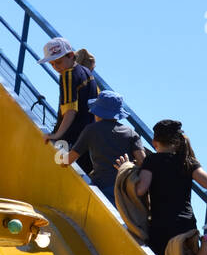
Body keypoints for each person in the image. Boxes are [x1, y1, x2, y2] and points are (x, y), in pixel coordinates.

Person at [133, 119, 207, 255]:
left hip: (160, 225)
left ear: (154, 142)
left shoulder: (152, 161)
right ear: (177, 142)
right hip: (185, 226)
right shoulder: (187, 161)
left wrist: (127, 174)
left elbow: (140, 190)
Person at [59, 91, 144, 203]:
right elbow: (143, 162)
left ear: (98, 113)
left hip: (103, 187)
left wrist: (59, 149)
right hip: (126, 189)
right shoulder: (131, 133)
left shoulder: (92, 130)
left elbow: (67, 161)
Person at [40, 38, 99, 172]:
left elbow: (70, 110)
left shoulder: (68, 75)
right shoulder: (86, 72)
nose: (56, 67)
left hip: (70, 138)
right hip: (87, 138)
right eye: (52, 64)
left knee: (57, 170)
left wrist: (57, 135)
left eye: (59, 62)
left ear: (71, 55)